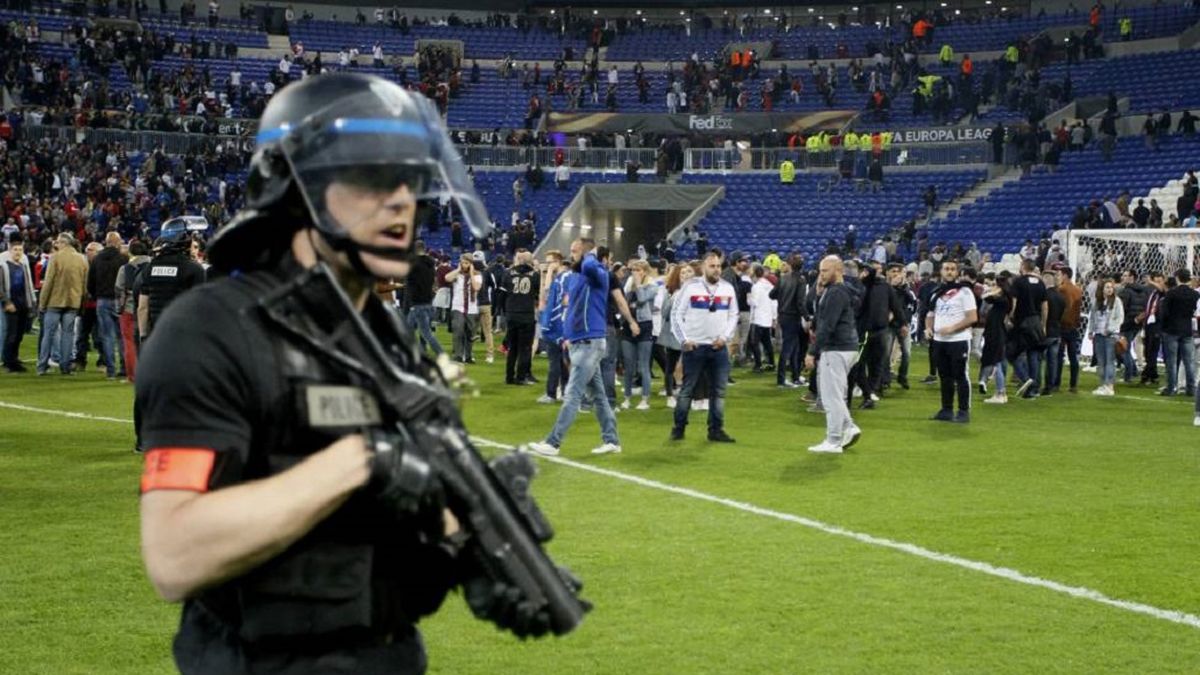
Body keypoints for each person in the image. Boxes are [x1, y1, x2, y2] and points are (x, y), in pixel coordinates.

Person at [137, 72, 539, 673]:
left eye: (410, 180)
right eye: (371, 178)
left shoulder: (390, 339)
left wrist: (469, 534)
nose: (402, 201)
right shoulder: (209, 329)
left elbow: (379, 535)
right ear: (295, 189)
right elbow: (175, 555)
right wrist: (361, 459)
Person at [526, 238, 622, 456]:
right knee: (598, 396)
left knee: (572, 393)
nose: (571, 255)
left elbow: (589, 265)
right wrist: (567, 336)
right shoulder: (578, 277)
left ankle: (553, 442)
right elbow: (573, 310)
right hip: (580, 342)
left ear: (588, 254)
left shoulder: (599, 274)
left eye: (575, 251)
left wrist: (591, 254)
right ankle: (612, 440)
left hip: (590, 343)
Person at [669, 251, 738, 443]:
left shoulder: (727, 288)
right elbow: (676, 314)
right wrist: (684, 340)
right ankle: (679, 427)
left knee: (719, 392)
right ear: (703, 268)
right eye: (712, 266)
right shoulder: (691, 287)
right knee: (687, 390)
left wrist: (725, 337)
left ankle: (716, 430)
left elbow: (734, 315)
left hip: (718, 348)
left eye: (718, 266)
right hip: (695, 347)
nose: (716, 270)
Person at [805, 255, 861, 453]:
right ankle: (849, 427)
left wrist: (812, 352)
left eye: (824, 271)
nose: (820, 275)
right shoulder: (840, 291)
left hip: (836, 348)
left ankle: (834, 440)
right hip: (847, 347)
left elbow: (827, 326)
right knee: (836, 394)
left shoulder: (835, 293)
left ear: (838, 271)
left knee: (831, 397)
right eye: (820, 271)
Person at [925, 259, 977, 422]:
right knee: (944, 376)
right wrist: (928, 328)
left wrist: (952, 329)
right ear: (940, 271)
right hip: (940, 341)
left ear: (957, 273)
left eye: (953, 269)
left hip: (958, 340)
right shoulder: (936, 293)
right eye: (946, 269)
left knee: (961, 375)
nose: (949, 272)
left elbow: (972, 317)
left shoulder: (965, 292)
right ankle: (946, 409)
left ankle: (963, 411)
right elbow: (930, 314)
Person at [137, 223, 206, 343]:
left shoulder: (150, 267)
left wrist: (143, 336)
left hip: (157, 336)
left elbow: (143, 307)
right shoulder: (194, 269)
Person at [36, 233, 88, 376]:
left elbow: (49, 282)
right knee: (68, 335)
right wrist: (82, 304)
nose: (55, 245)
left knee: (49, 334)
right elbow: (85, 285)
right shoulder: (82, 259)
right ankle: (65, 367)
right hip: (73, 302)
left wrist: (42, 302)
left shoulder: (55, 258)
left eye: (57, 242)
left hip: (55, 301)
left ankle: (42, 366)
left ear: (62, 243)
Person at [87, 231, 130, 379]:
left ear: (106, 242)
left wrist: (96, 295)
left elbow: (90, 282)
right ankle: (124, 368)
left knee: (107, 336)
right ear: (117, 242)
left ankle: (110, 370)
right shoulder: (123, 259)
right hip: (119, 301)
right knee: (122, 336)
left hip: (102, 301)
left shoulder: (97, 259)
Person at [620, 260, 658, 410]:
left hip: (644, 325)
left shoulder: (652, 286)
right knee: (628, 366)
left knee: (643, 366)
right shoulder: (628, 285)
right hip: (628, 325)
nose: (635, 273)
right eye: (633, 270)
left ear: (645, 272)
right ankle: (627, 397)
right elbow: (623, 303)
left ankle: (644, 399)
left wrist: (638, 284)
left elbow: (642, 299)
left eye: (639, 270)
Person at [113, 240, 151, 383]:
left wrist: (119, 309)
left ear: (131, 252)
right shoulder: (153, 265)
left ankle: (133, 376)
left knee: (129, 343)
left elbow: (118, 290)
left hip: (129, 309)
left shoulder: (126, 268)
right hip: (150, 309)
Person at [1160, 269, 1199, 396]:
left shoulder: (1172, 293)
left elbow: (1164, 312)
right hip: (1187, 329)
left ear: (1177, 278)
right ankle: (1191, 388)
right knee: (1189, 361)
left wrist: (1163, 327)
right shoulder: (1194, 294)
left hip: (1171, 329)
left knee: (1172, 361)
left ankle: (1171, 388)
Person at [503, 250, 539, 385]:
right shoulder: (535, 275)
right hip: (526, 314)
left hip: (511, 313)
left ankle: (509, 376)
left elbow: (504, 291)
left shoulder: (508, 273)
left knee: (512, 347)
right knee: (525, 348)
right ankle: (521, 377)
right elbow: (537, 293)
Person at [403, 240, 444, 356]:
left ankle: (441, 355)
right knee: (408, 331)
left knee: (426, 334)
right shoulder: (431, 265)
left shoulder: (413, 265)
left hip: (417, 304)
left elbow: (408, 281)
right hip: (428, 302)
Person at [1, 234, 34, 372]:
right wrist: (6, 302)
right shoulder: (3, 266)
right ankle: (9, 362)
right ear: (10, 250)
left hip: (23, 304)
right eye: (15, 250)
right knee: (11, 333)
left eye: (20, 250)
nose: (18, 252)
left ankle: (14, 358)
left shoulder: (23, 266)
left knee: (19, 334)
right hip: (11, 304)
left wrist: (31, 303)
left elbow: (28, 286)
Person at [979, 273, 1011, 403]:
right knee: (995, 361)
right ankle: (986, 382)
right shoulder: (1004, 299)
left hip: (996, 333)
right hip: (996, 332)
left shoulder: (1002, 300)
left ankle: (1000, 392)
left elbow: (985, 297)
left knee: (996, 362)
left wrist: (991, 290)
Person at [1088, 278, 1124, 396]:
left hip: (1110, 335)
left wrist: (1111, 329)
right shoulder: (1097, 302)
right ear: (1102, 289)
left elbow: (1120, 318)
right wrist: (1091, 331)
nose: (1109, 289)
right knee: (1101, 361)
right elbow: (1092, 318)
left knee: (1110, 361)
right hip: (1098, 335)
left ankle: (1109, 385)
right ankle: (1102, 384)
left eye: (1111, 287)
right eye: (1107, 287)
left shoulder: (1116, 301)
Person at [445, 253, 482, 363]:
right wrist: (457, 270)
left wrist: (471, 273)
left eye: (466, 263)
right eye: (462, 262)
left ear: (471, 264)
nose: (464, 265)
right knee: (458, 330)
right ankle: (458, 355)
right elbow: (447, 278)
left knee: (470, 333)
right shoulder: (457, 274)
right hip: (458, 306)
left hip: (471, 308)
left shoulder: (477, 275)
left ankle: (469, 355)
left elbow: (476, 287)